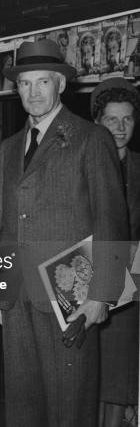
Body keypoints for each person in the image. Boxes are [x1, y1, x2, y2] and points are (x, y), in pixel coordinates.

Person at [0, 39, 129, 427]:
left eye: (42, 82)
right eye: (25, 84)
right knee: (22, 407)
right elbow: (2, 225)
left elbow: (112, 223)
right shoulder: (9, 148)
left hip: (70, 297)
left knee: (70, 405)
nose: (33, 92)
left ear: (61, 85)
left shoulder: (91, 139)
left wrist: (101, 296)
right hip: (17, 301)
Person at [91, 77, 140, 427]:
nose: (121, 128)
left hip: (134, 287)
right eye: (112, 119)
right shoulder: (83, 163)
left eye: (127, 120)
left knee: (122, 378)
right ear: (98, 122)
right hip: (90, 282)